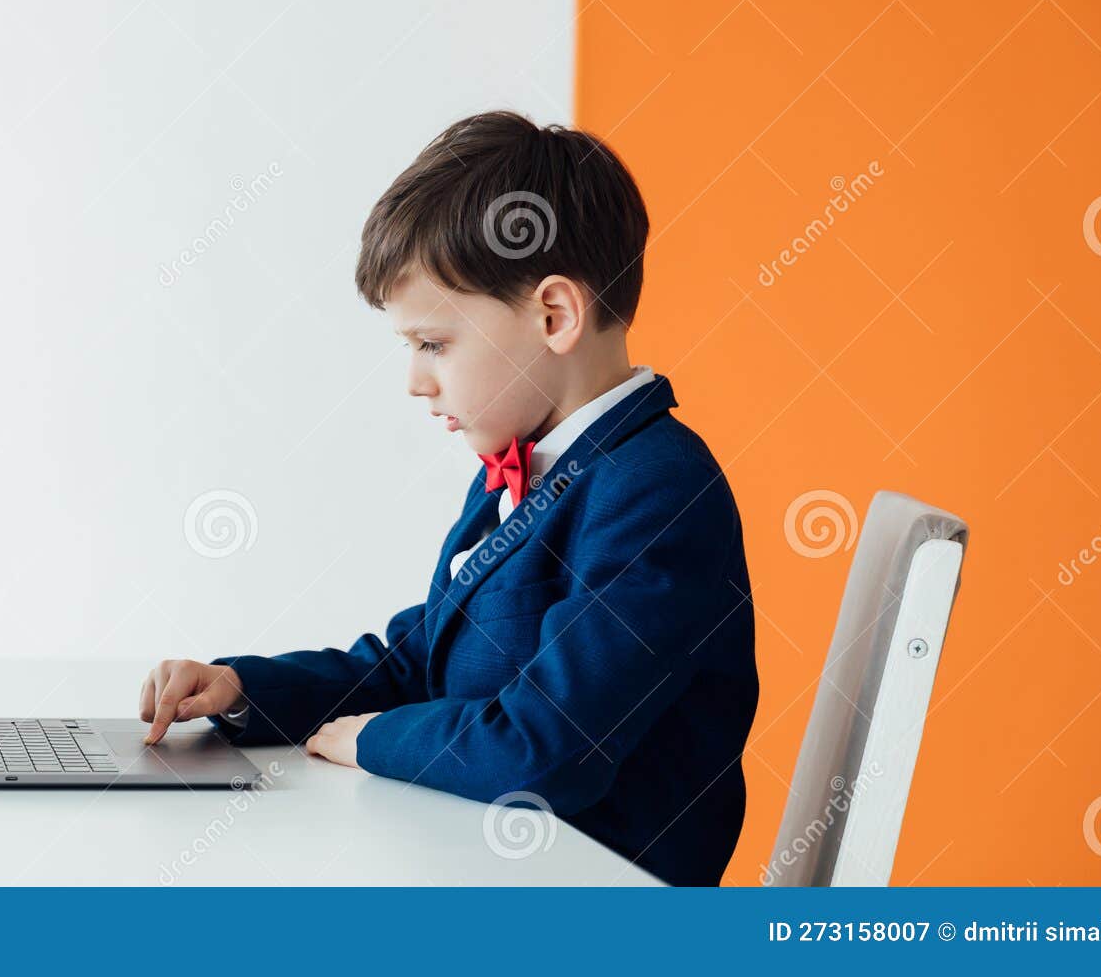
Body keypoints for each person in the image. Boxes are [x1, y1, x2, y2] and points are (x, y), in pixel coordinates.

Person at [139, 110, 759, 885]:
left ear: (554, 316)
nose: (415, 379)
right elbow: (419, 660)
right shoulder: (523, 463)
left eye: (433, 344)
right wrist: (246, 691)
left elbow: (548, 748)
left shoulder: (656, 489)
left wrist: (371, 742)